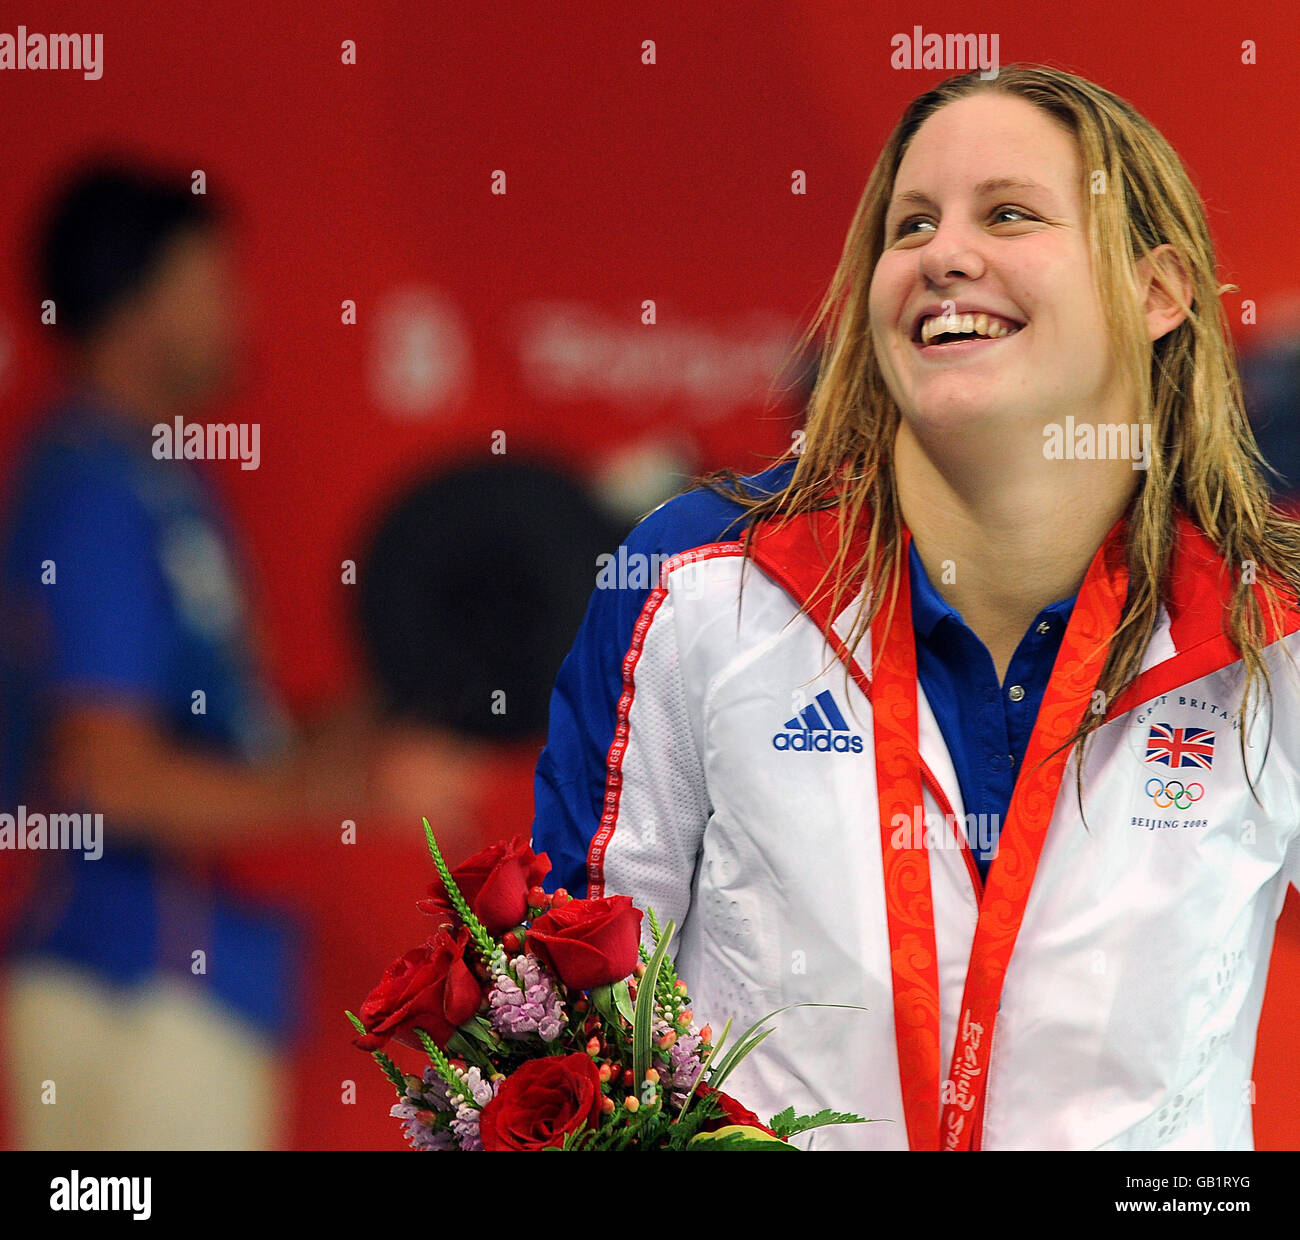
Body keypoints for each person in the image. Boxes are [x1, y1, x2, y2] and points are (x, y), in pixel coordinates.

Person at [529, 65, 1300, 1150]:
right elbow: (562, 1007)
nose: (943, 254)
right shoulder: (701, 579)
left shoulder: (1273, 628)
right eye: (911, 224)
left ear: (1157, 290)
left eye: (1010, 213)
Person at [0, 163, 481, 1149]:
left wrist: (399, 704)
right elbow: (108, 775)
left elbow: (236, 738)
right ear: (135, 309)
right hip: (131, 990)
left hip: (183, 995)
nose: (239, 308)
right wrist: (346, 788)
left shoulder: (160, 479)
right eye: (209, 284)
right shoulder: (94, 491)